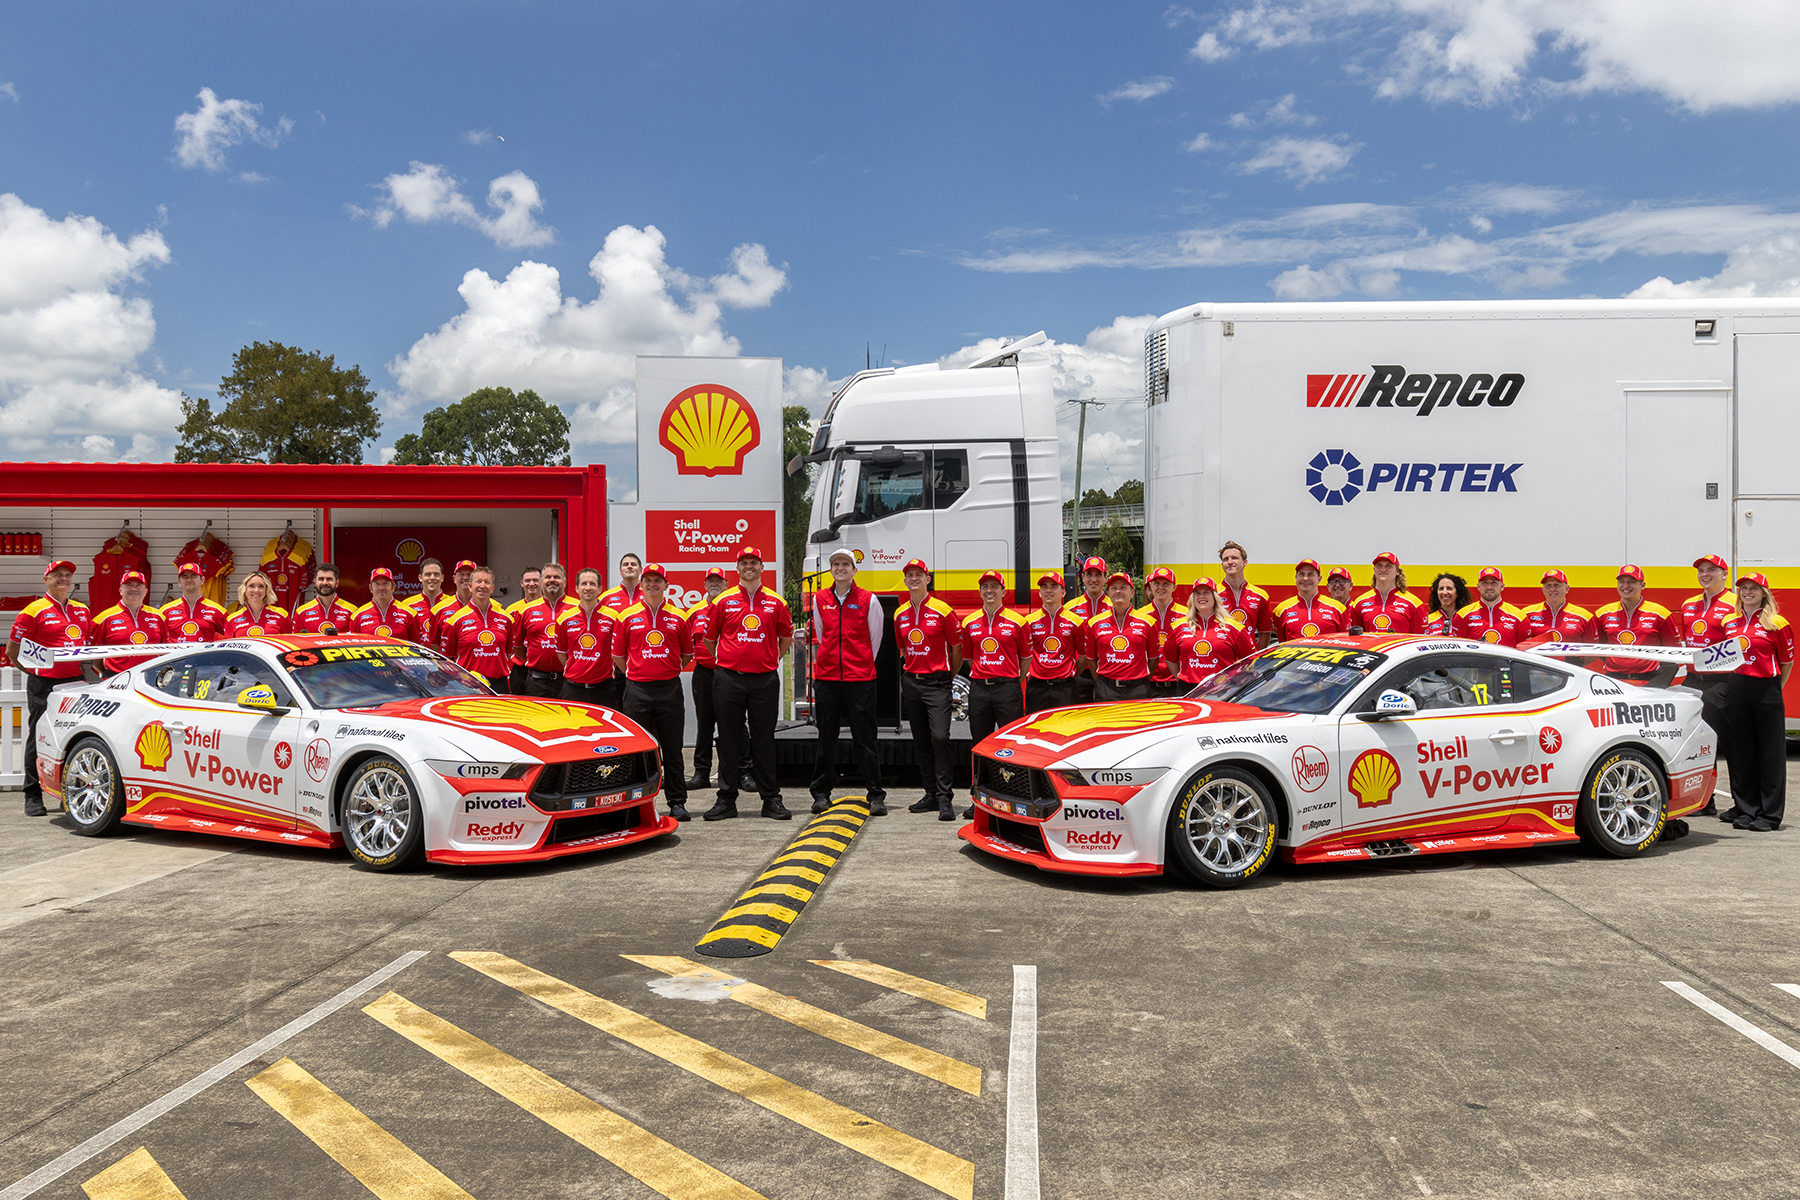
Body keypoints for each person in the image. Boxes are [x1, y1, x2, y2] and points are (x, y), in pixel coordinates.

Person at [701, 547, 793, 821]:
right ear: (737, 568)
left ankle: (771, 799)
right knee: (728, 739)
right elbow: (709, 639)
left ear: (762, 567)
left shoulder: (776, 602)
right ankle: (726, 799)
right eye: (744, 563)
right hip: (729, 678)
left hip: (764, 679)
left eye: (754, 562)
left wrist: (768, 659)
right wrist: (727, 658)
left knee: (764, 739)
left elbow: (785, 638)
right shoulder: (724, 601)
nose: (749, 566)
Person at [8, 561, 94, 816]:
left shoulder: (82, 609)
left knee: (72, 737)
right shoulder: (33, 610)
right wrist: (38, 674)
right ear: (46, 579)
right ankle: (32, 794)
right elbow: (14, 653)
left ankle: (67, 792)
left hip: (74, 681)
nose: (64, 579)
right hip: (44, 684)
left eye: (67, 575)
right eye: (58, 575)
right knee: (39, 737)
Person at [612, 563, 695, 822]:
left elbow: (686, 655)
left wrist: (665, 671)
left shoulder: (678, 616)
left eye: (657, 580)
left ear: (665, 585)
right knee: (639, 751)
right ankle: (638, 805)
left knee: (672, 748)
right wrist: (639, 673)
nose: (652, 585)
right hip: (637, 690)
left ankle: (677, 802)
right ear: (642, 584)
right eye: (647, 580)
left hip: (669, 689)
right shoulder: (626, 616)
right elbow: (618, 656)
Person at [808, 547, 888, 816]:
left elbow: (874, 639)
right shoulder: (820, 598)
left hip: (860, 679)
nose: (840, 568)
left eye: (845, 564)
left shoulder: (869, 599)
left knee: (865, 738)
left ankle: (875, 795)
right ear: (831, 570)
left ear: (855, 570)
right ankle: (821, 794)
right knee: (826, 738)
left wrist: (860, 663)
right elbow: (822, 634)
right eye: (836, 564)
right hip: (828, 678)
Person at [1721, 572, 1793, 832]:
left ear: (1764, 593)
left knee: (1771, 754)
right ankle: (1746, 809)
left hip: (1766, 689)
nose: (1747, 592)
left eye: (1754, 588)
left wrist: (1773, 688)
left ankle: (1770, 815)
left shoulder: (1777, 622)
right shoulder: (1730, 621)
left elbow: (1786, 661)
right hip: (1737, 686)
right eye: (1743, 588)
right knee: (1742, 751)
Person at [895, 559, 962, 820]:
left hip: (937, 683)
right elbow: (902, 648)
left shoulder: (943, 611)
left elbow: (957, 649)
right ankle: (930, 794)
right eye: (909, 575)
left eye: (918, 574)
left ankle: (946, 798)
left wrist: (947, 676)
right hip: (912, 682)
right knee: (921, 740)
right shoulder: (900, 614)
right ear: (905, 580)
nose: (914, 579)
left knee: (940, 737)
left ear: (927, 579)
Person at [961, 568, 1027, 817]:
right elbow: (968, 657)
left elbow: (1025, 659)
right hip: (979, 689)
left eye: (994, 586)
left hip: (1007, 689)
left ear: (1004, 591)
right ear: (980, 592)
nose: (989, 591)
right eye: (985, 587)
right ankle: (978, 798)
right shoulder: (969, 622)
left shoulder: (1017, 621)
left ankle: (1014, 797)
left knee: (1011, 746)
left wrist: (1008, 680)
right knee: (980, 745)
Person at [1681, 553, 1741, 804]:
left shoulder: (1736, 602)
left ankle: (1742, 805)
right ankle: (1703, 801)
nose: (1705, 574)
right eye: (1701, 570)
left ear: (1724, 574)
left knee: (1733, 745)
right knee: (1696, 744)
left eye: (1712, 570)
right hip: (1693, 681)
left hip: (1723, 682)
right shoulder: (1688, 604)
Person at [1592, 565, 1678, 684]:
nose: (1625, 586)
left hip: (1649, 678)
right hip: (1613, 678)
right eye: (1621, 582)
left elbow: (1672, 649)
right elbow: (1599, 647)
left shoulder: (1660, 613)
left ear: (1642, 585)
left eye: (1631, 582)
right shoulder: (1602, 613)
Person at [686, 567, 729, 788]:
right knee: (704, 724)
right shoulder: (694, 611)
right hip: (703, 672)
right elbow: (686, 644)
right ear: (704, 585)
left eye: (719, 581)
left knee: (733, 724)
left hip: (729, 674)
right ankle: (701, 774)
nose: (714, 584)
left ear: (726, 584)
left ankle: (740, 772)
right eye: (710, 581)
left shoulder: (733, 605)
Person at [440, 566, 516, 690]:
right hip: (467, 686)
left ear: (492, 589)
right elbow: (447, 658)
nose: (482, 586)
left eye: (487, 582)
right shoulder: (454, 620)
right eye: (478, 582)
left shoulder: (506, 619)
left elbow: (507, 654)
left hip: (499, 685)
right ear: (470, 586)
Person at [1083, 571, 1156, 701]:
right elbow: (1091, 658)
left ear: (1132, 593)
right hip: (1106, 689)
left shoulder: (1148, 622)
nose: (1118, 591)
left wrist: (1140, 681)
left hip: (1138, 689)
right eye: (1114, 588)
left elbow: (1153, 658)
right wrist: (1103, 681)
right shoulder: (1094, 623)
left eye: (1123, 588)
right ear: (1108, 593)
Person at [1166, 578, 1254, 685]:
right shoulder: (1178, 626)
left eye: (1206, 592)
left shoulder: (1233, 627)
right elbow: (1170, 659)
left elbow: (1250, 659)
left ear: (1215, 597)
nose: (1201, 596)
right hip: (1187, 689)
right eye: (1197, 593)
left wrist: (1234, 681)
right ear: (1193, 598)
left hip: (1222, 689)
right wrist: (1182, 679)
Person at [1023, 571, 1086, 713]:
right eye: (1044, 587)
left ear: (1063, 592)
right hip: (1036, 687)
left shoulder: (1076, 621)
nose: (1048, 590)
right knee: (1034, 731)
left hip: (1065, 687)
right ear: (1039, 593)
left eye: (1053, 586)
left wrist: (1072, 674)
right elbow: (1023, 655)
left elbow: (1084, 655)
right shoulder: (1028, 621)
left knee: (1065, 731)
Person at [515, 563, 575, 697]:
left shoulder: (576, 608)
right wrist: (537, 659)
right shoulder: (526, 610)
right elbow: (517, 646)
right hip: (537, 682)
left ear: (564, 582)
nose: (552, 580)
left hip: (569, 682)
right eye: (548, 577)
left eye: (557, 577)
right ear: (542, 582)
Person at [557, 568, 615, 703]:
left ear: (600, 588)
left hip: (604, 689)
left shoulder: (613, 617)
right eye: (584, 584)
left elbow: (617, 652)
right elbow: (561, 652)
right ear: (576, 588)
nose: (588, 588)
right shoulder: (564, 618)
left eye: (592, 584)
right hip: (572, 689)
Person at [93, 569, 166, 675]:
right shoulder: (103, 618)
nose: (133, 589)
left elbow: (165, 652)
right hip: (115, 678)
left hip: (149, 678)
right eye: (128, 585)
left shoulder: (159, 617)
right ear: (120, 590)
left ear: (146, 591)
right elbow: (95, 657)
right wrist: (106, 675)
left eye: (138, 585)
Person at [597, 554, 645, 707]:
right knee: (616, 707)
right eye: (625, 564)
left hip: (642, 662)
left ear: (640, 570)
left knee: (640, 710)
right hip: (614, 665)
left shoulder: (649, 595)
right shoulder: (606, 597)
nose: (629, 567)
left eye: (633, 564)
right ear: (619, 571)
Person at [1065, 555, 1109, 703]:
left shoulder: (1114, 607)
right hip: (1080, 675)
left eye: (1098, 575)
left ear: (1105, 577)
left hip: (1106, 676)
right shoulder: (1070, 608)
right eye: (1089, 574)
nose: (1093, 579)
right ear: (1082, 577)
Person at [1273, 560, 1351, 641]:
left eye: (1310, 574)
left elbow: (1344, 642)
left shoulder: (1338, 608)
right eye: (1301, 574)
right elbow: (1281, 645)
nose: (1305, 578)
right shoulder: (1281, 610)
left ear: (1319, 579)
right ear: (1296, 577)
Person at [1351, 553, 1427, 635]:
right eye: (1379, 566)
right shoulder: (1359, 603)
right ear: (1374, 570)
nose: (1383, 569)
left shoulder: (1414, 603)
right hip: (1370, 648)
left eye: (1388, 566)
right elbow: (1355, 639)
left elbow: (1420, 640)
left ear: (1397, 571)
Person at [1139, 567, 1186, 697]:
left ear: (1174, 587)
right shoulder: (1140, 615)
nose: (1161, 588)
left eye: (1166, 584)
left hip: (1177, 683)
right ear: (1151, 586)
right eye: (1157, 584)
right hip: (1149, 683)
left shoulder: (1186, 615)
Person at [1217, 542, 1274, 646]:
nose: (1230, 562)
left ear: (1245, 562)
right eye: (1226, 559)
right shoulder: (1213, 594)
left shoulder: (1260, 595)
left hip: (1249, 657)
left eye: (1234, 558)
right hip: (1222, 659)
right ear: (1222, 565)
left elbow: (1265, 634)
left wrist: (1256, 658)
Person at [159, 559, 229, 644]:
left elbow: (230, 639)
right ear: (179, 582)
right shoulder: (165, 611)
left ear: (202, 580)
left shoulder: (217, 611)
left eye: (193, 576)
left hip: (204, 657)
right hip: (177, 657)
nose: (189, 580)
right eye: (185, 577)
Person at [1455, 568, 1528, 647]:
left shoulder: (1519, 616)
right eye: (1484, 583)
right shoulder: (1462, 615)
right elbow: (1457, 648)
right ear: (1478, 586)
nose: (1489, 587)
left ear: (1502, 586)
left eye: (1494, 583)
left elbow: (1524, 650)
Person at [1520, 570, 1594, 645]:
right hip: (1535, 657)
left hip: (1571, 657)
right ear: (1543, 590)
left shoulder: (1584, 616)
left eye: (1556, 585)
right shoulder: (1526, 614)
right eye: (1548, 586)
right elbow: (1520, 645)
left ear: (1567, 589)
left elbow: (1591, 651)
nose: (1552, 589)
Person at [400, 558, 457, 649]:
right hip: (417, 659)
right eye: (428, 574)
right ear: (420, 578)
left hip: (445, 659)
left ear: (442, 578)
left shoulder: (452, 603)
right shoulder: (407, 605)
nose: (432, 578)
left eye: (436, 574)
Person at [351, 568, 418, 641]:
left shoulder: (410, 614)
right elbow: (352, 646)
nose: (381, 588)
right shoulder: (357, 616)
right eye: (377, 584)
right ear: (370, 588)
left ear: (393, 587)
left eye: (385, 584)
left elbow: (417, 647)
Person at [259, 527, 315, 612]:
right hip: (271, 613)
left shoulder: (299, 560)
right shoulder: (267, 559)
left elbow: (307, 582)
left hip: (292, 613)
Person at [506, 567, 544, 693]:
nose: (531, 584)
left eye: (535, 580)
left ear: (542, 582)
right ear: (522, 583)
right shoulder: (512, 610)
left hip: (542, 669)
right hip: (519, 667)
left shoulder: (550, 608)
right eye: (527, 580)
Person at [293, 564, 356, 634]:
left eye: (329, 579)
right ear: (315, 582)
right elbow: (296, 641)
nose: (325, 583)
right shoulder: (301, 612)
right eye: (321, 579)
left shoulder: (352, 611)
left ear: (337, 583)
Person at [223, 571, 290, 637]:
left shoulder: (281, 615)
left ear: (266, 590)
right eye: (251, 586)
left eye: (261, 586)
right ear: (244, 590)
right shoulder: (232, 619)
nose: (256, 590)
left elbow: (289, 643)